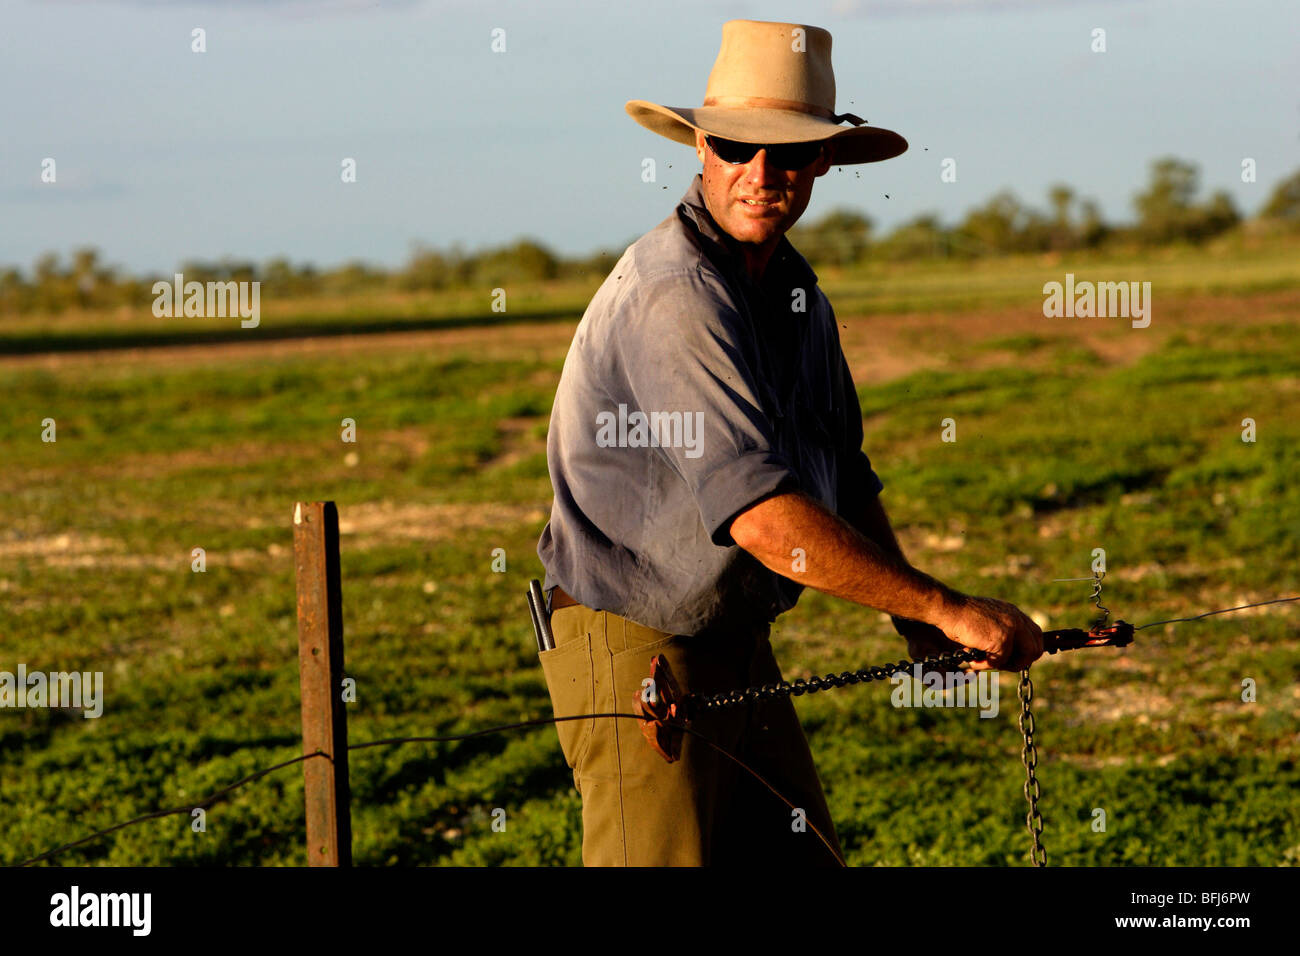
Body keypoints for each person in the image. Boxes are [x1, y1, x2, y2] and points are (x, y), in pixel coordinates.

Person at [535, 18, 1043, 867]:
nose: (760, 174)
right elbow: (762, 519)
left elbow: (844, 472)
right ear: (700, 147)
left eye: (791, 153)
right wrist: (943, 607)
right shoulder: (678, 295)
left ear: (824, 165)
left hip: (735, 641)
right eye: (737, 145)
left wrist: (914, 628)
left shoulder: (794, 289)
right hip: (635, 644)